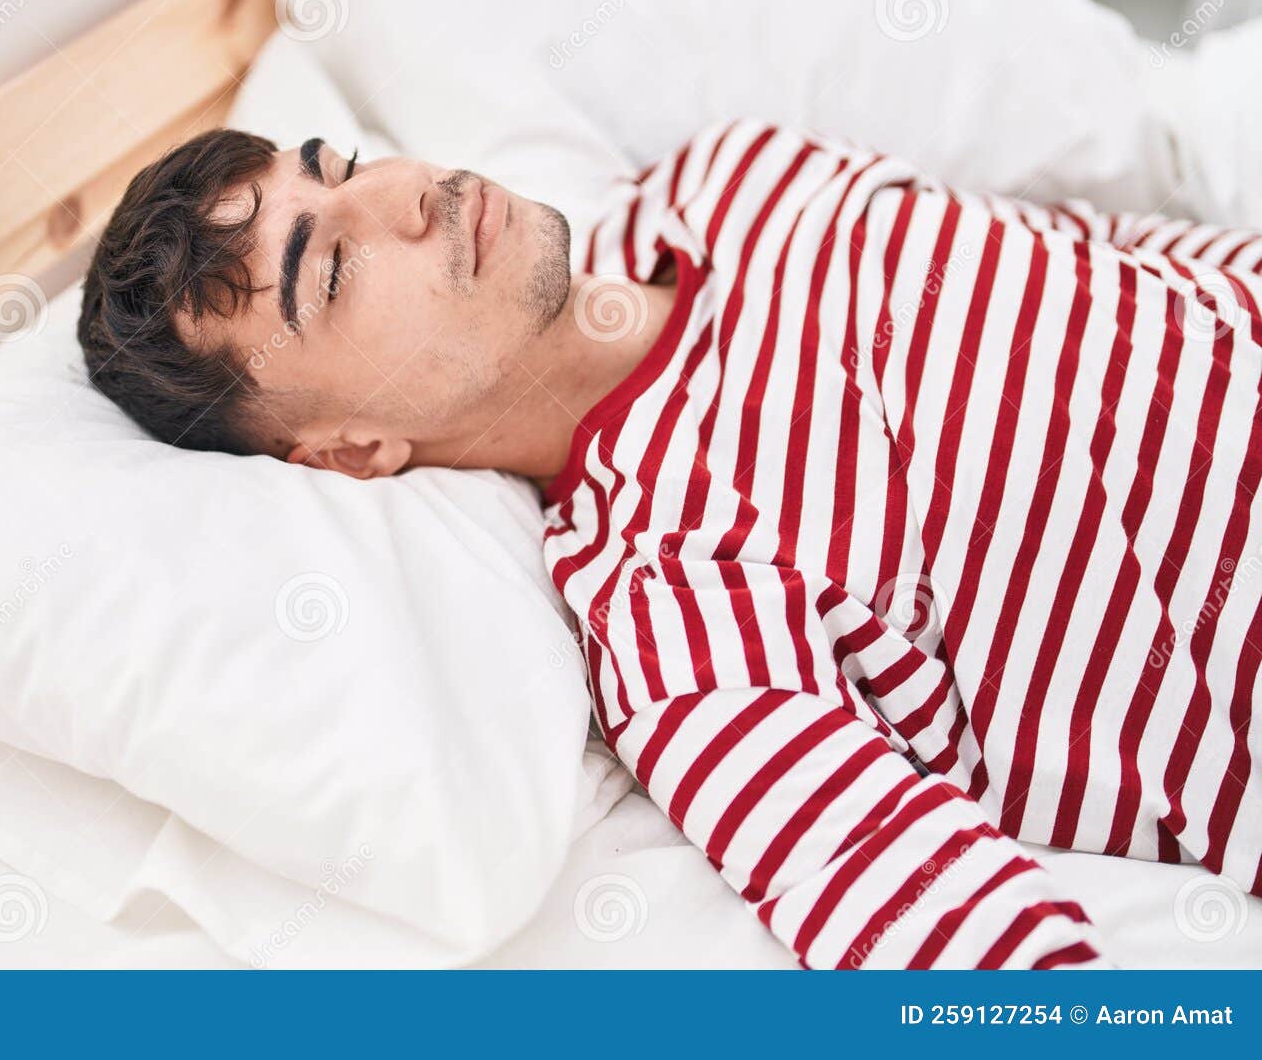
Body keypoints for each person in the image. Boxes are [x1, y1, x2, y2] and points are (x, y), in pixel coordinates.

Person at [79, 120, 1262, 968]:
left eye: (337, 168)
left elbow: (1112, 253)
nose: (410, 195)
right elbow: (955, 940)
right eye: (332, 265)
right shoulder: (671, 605)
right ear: (347, 451)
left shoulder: (732, 178)